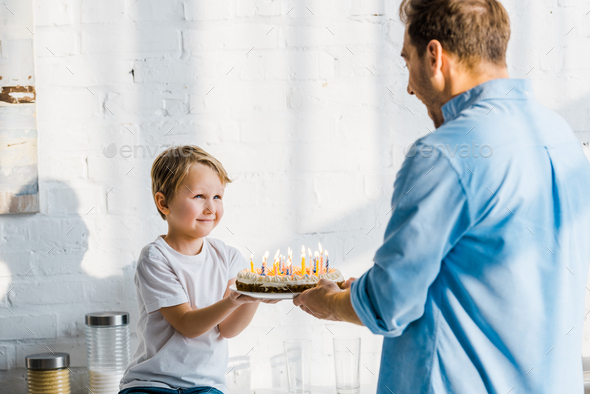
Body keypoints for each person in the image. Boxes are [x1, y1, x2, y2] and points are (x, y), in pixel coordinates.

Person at [294, 0, 590, 393]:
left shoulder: (444, 153)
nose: (409, 86)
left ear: (434, 57)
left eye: (407, 62)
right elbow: (491, 270)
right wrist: (366, 286)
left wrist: (329, 302)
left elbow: (389, 305)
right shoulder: (560, 137)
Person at [119, 145, 276, 394]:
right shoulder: (155, 258)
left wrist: (254, 297)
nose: (211, 208)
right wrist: (234, 299)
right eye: (199, 196)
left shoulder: (228, 257)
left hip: (205, 386)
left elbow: (228, 329)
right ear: (163, 203)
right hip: (152, 384)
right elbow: (187, 325)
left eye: (217, 197)